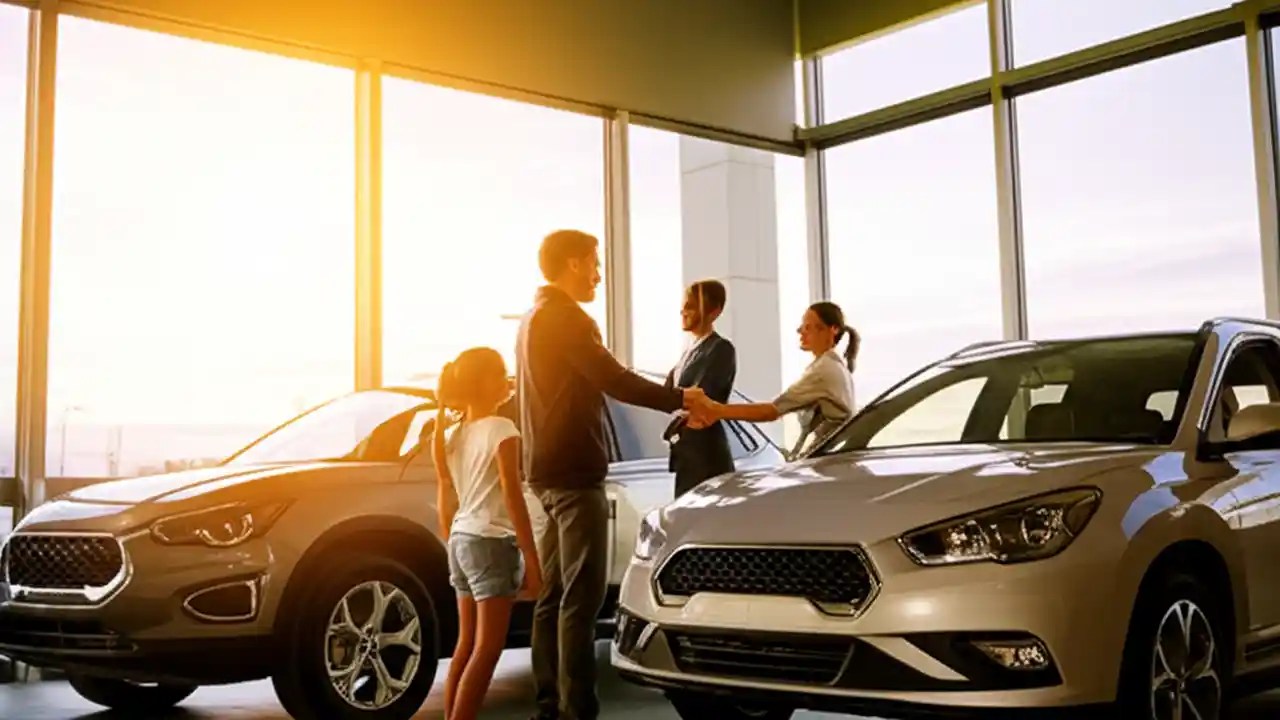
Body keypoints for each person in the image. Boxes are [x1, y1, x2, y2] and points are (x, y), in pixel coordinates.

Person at [517, 229, 716, 720]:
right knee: (580, 600)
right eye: (593, 264)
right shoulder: (567, 317)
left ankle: (550, 704)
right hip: (572, 471)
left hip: (543, 470)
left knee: (555, 595)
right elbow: (611, 377)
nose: (599, 275)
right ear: (571, 263)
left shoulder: (530, 319)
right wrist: (679, 397)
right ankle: (577, 710)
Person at [432, 347, 544, 720]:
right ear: (482, 384)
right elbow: (513, 496)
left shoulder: (452, 434)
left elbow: (445, 492)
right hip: (492, 543)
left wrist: (451, 537)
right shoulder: (502, 430)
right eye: (500, 374)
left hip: (462, 540)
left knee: (466, 644)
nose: (508, 379)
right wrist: (531, 557)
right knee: (487, 649)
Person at [691, 301, 857, 457]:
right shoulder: (834, 365)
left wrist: (716, 410)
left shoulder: (824, 371)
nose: (800, 330)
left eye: (809, 327)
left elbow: (771, 411)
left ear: (832, 330)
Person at [664, 280, 737, 497]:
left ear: (714, 312)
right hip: (687, 452)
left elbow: (704, 396)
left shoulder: (721, 349)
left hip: (706, 455)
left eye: (692, 306)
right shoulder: (688, 351)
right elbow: (666, 395)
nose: (684, 311)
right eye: (684, 305)